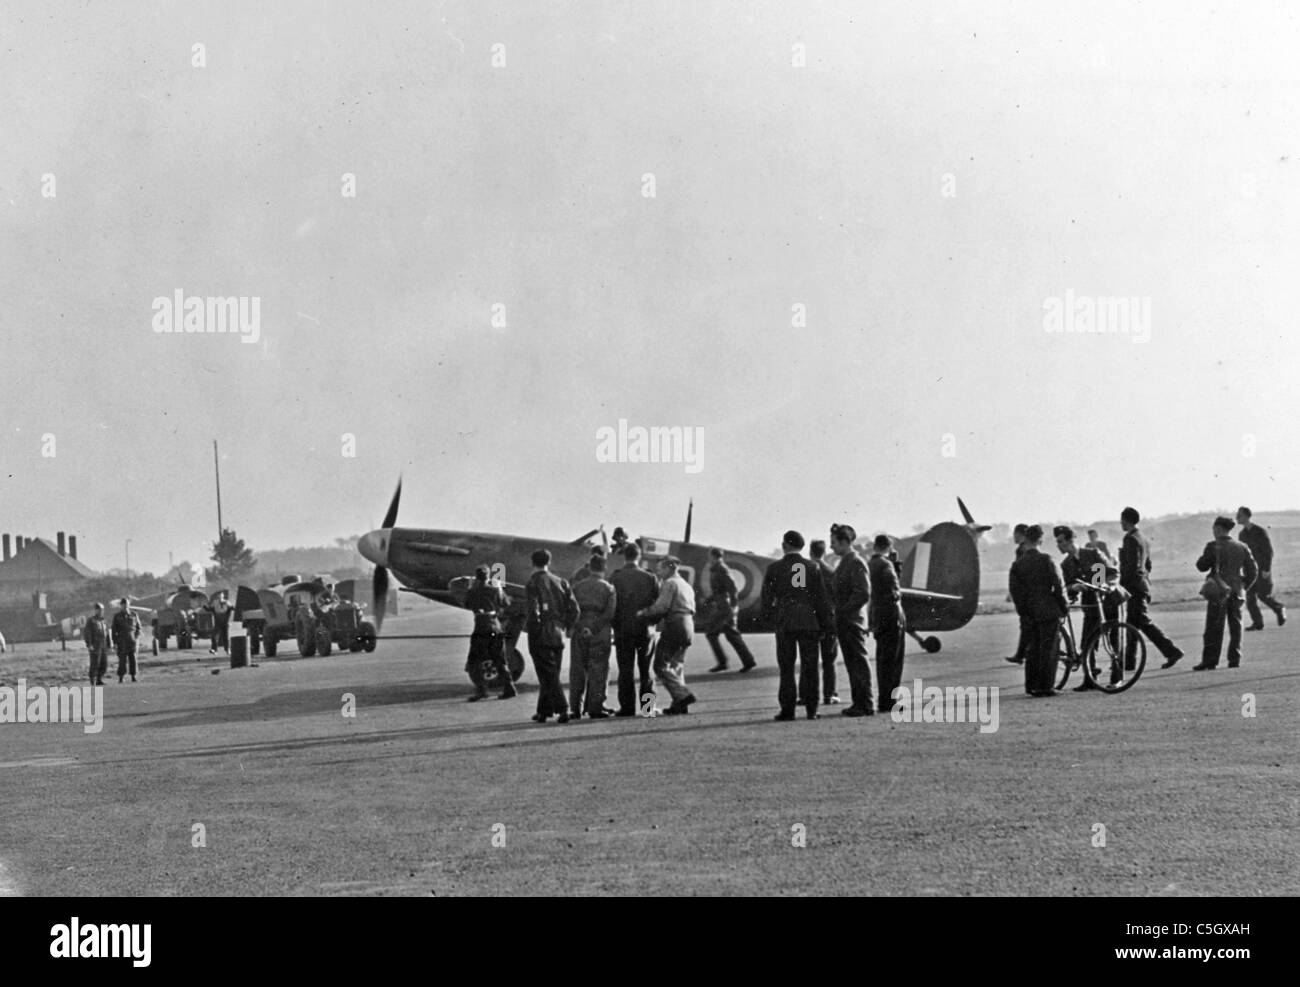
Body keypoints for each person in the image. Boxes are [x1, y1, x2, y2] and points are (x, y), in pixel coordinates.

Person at [762, 530, 833, 721]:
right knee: (810, 667)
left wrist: (772, 619)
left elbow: (766, 600)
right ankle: (812, 709)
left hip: (785, 622)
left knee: (786, 668)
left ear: (784, 545)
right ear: (802, 546)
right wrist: (826, 625)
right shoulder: (812, 567)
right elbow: (821, 599)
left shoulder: (774, 568)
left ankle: (788, 709)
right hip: (809, 622)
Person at [1054, 526, 1119, 692]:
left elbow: (1111, 572)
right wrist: (1073, 587)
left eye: (1061, 541)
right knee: (1087, 642)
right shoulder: (1066, 564)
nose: (1058, 545)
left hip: (1107, 602)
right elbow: (1067, 585)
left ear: (1070, 541)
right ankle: (1090, 679)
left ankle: (1117, 678)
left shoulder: (1092, 554)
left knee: (1113, 641)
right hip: (1090, 606)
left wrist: (1104, 584)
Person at [1119, 507, 1185, 670]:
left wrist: (1122, 584)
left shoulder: (1130, 539)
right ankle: (1129, 662)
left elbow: (1131, 567)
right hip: (1142, 585)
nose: (1120, 523)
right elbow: (1148, 565)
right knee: (1132, 625)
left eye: (1122, 520)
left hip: (1134, 587)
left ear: (1127, 520)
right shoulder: (1144, 539)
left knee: (1141, 622)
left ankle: (1172, 651)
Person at [1009, 525, 1069, 697]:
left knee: (1032, 649)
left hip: (1029, 611)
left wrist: (1023, 611)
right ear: (1041, 540)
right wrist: (1063, 606)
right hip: (1048, 609)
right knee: (1049, 649)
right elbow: (1058, 585)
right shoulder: (1047, 559)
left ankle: (1031, 686)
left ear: (1026, 539)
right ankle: (1045, 686)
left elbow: (1015, 591)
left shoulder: (1017, 564)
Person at [1193, 517, 1258, 670]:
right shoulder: (1242, 546)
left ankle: (1210, 661)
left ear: (1218, 528)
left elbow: (1201, 566)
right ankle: (1234, 659)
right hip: (1237, 591)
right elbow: (1253, 571)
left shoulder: (1213, 546)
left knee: (1213, 628)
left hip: (1218, 591)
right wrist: (1244, 586)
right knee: (1236, 626)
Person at [637, 556, 697, 715]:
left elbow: (661, 607)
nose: (658, 572)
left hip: (675, 625)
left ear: (669, 568)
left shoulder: (669, 583)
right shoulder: (685, 585)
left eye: (660, 568)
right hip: (688, 625)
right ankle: (679, 705)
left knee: (660, 665)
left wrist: (643, 613)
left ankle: (683, 695)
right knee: (676, 665)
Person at [525, 549, 578, 723]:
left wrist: (534, 630)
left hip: (541, 633)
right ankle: (543, 711)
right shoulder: (561, 582)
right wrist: (566, 626)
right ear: (549, 562)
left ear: (533, 563)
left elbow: (533, 611)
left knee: (548, 674)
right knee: (550, 672)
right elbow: (574, 609)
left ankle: (563, 709)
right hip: (558, 633)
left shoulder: (532, 583)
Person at [610, 543, 661, 717]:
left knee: (625, 670)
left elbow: (612, 606)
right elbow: (658, 605)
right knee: (646, 670)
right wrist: (652, 623)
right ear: (639, 556)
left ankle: (626, 708)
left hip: (623, 630)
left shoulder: (615, 577)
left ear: (624, 556)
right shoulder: (650, 577)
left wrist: (615, 625)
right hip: (645, 631)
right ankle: (648, 708)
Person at [830, 523, 874, 717]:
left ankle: (865, 704)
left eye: (834, 543)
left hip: (852, 622)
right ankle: (860, 703)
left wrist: (843, 611)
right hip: (848, 621)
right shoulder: (847, 562)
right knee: (853, 664)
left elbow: (863, 593)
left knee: (858, 664)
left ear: (845, 542)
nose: (831, 547)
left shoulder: (855, 562)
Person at [569, 555, 617, 718]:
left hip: (580, 628)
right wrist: (594, 629)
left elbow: (571, 610)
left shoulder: (577, 587)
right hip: (600, 631)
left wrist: (581, 627)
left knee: (577, 670)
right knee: (599, 669)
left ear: (589, 568)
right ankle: (596, 707)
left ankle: (575, 708)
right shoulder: (609, 588)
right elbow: (610, 613)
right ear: (604, 570)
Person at [464, 565, 517, 701]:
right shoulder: (494, 590)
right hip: (495, 628)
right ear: (488, 577)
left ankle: (482, 691)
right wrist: (499, 587)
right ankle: (510, 688)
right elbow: (505, 603)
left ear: (476, 577)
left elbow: (467, 604)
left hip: (481, 628)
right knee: (500, 660)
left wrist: (470, 587)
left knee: (474, 661)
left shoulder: (472, 591)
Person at [868, 534, 907, 712]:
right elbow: (894, 592)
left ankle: (884, 699)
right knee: (893, 662)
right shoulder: (886, 565)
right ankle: (889, 700)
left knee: (883, 661)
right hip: (892, 617)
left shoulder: (870, 565)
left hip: (878, 616)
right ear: (889, 547)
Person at [703, 548, 756, 673]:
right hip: (724, 606)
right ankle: (747, 661)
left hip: (725, 607)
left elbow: (732, 589)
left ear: (714, 557)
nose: (708, 559)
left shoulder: (721, 569)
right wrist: (709, 600)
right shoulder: (717, 569)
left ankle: (723, 662)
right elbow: (719, 590)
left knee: (713, 634)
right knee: (731, 635)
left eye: (710, 556)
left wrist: (732, 607)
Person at [1236, 507, 1286, 630]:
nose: (1237, 518)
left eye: (1240, 516)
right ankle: (1258, 623)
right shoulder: (1242, 535)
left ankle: (1279, 608)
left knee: (1264, 595)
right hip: (1250, 571)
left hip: (1262, 569)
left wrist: (1266, 569)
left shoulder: (1259, 531)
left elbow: (1268, 551)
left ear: (1247, 516)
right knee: (1250, 598)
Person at [808, 540, 840, 704]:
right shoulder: (831, 571)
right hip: (828, 621)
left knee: (809, 661)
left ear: (810, 551)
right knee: (829, 661)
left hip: (809, 621)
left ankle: (807, 695)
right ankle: (829, 694)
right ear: (824, 552)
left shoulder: (803, 570)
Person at [1004, 523, 1030, 664]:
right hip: (1025, 592)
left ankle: (1021, 655)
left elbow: (1019, 572)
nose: (1014, 537)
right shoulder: (1023, 548)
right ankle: (1022, 653)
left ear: (1022, 534)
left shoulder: (1022, 550)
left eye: (1016, 534)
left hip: (1025, 594)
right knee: (1025, 624)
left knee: (1026, 624)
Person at [111, 598, 142, 683]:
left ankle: (133, 676)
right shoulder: (117, 616)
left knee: (133, 659)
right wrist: (115, 642)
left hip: (132, 640)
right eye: (123, 605)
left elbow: (138, 628)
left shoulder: (134, 614)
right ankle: (121, 677)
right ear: (121, 606)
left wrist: (136, 637)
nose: (125, 607)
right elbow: (114, 631)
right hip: (122, 641)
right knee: (122, 660)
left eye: (127, 605)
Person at [84, 602, 110, 686]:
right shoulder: (91, 620)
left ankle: (99, 679)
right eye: (98, 609)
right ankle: (92, 679)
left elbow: (107, 632)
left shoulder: (103, 620)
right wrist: (89, 644)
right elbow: (87, 633)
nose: (100, 611)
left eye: (102, 610)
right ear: (95, 610)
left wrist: (109, 644)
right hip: (95, 644)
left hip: (103, 644)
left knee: (104, 663)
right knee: (95, 663)